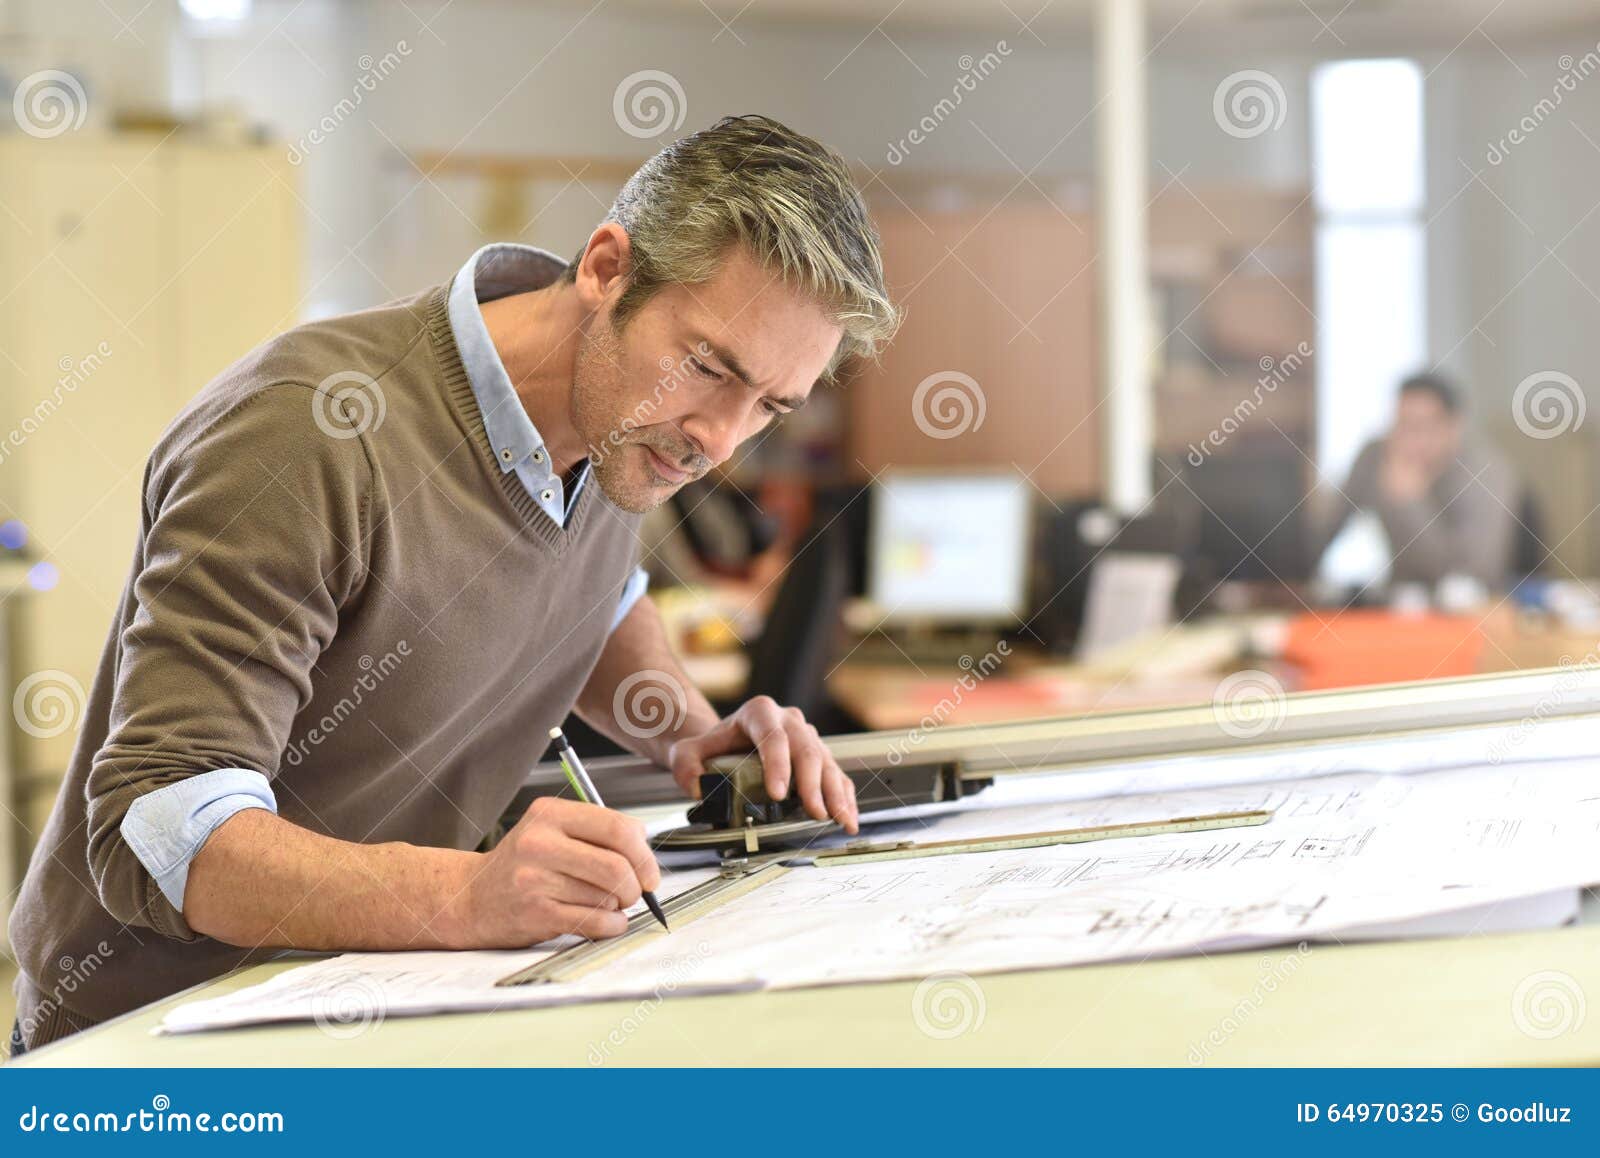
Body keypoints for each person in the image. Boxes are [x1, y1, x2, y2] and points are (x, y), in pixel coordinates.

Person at [7, 114, 899, 1054]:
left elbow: (598, 591)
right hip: (162, 1048)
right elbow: (161, 829)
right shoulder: (304, 434)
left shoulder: (619, 423)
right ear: (606, 270)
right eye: (711, 367)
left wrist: (688, 736)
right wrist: (466, 896)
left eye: (770, 404)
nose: (720, 438)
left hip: (377, 1005)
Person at [1318, 372, 1521, 591]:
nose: (1408, 441)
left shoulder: (1487, 473)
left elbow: (1470, 576)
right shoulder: (1375, 456)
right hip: (1398, 607)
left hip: (1471, 612)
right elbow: (1324, 532)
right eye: (1401, 425)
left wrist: (1410, 505)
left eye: (1421, 426)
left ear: (1454, 428)